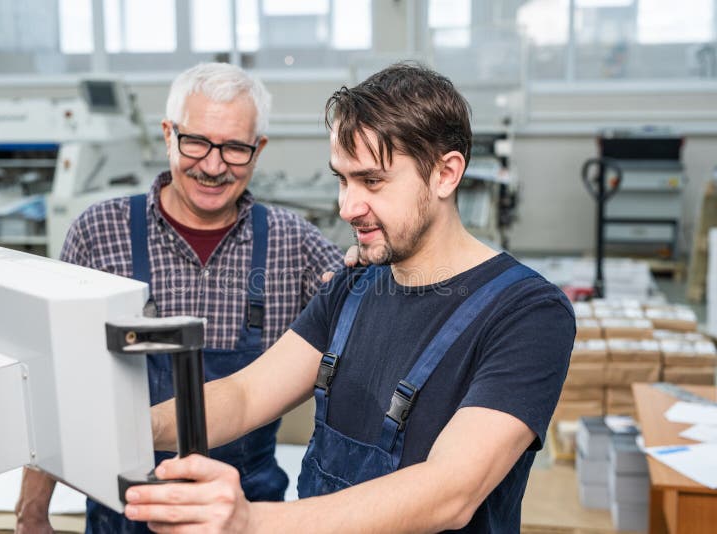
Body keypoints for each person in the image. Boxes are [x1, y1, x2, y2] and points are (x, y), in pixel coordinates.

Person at [126, 62, 576, 533]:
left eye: (372, 182)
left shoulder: (527, 315)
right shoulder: (355, 285)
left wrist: (249, 522)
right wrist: (132, 427)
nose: (347, 207)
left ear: (445, 174)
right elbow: (243, 396)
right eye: (343, 180)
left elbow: (450, 491)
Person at [14, 62, 345, 533]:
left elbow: (365, 315)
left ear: (259, 149)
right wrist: (32, 513)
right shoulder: (98, 234)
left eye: (234, 148)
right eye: (197, 142)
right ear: (168, 133)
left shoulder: (292, 243)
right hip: (123, 510)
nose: (213, 166)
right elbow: (54, 373)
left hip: (246, 510)